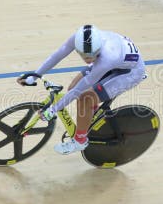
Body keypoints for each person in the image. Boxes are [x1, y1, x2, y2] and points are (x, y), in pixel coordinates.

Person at [17, 24, 146, 155]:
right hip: (117, 59)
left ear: (98, 48)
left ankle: (80, 141)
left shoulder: (107, 57)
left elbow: (80, 89)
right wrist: (33, 77)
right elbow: (57, 56)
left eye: (91, 56)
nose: (88, 60)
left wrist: (52, 110)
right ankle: (91, 114)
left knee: (86, 98)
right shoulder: (78, 39)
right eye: (84, 56)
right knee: (73, 85)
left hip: (131, 72)